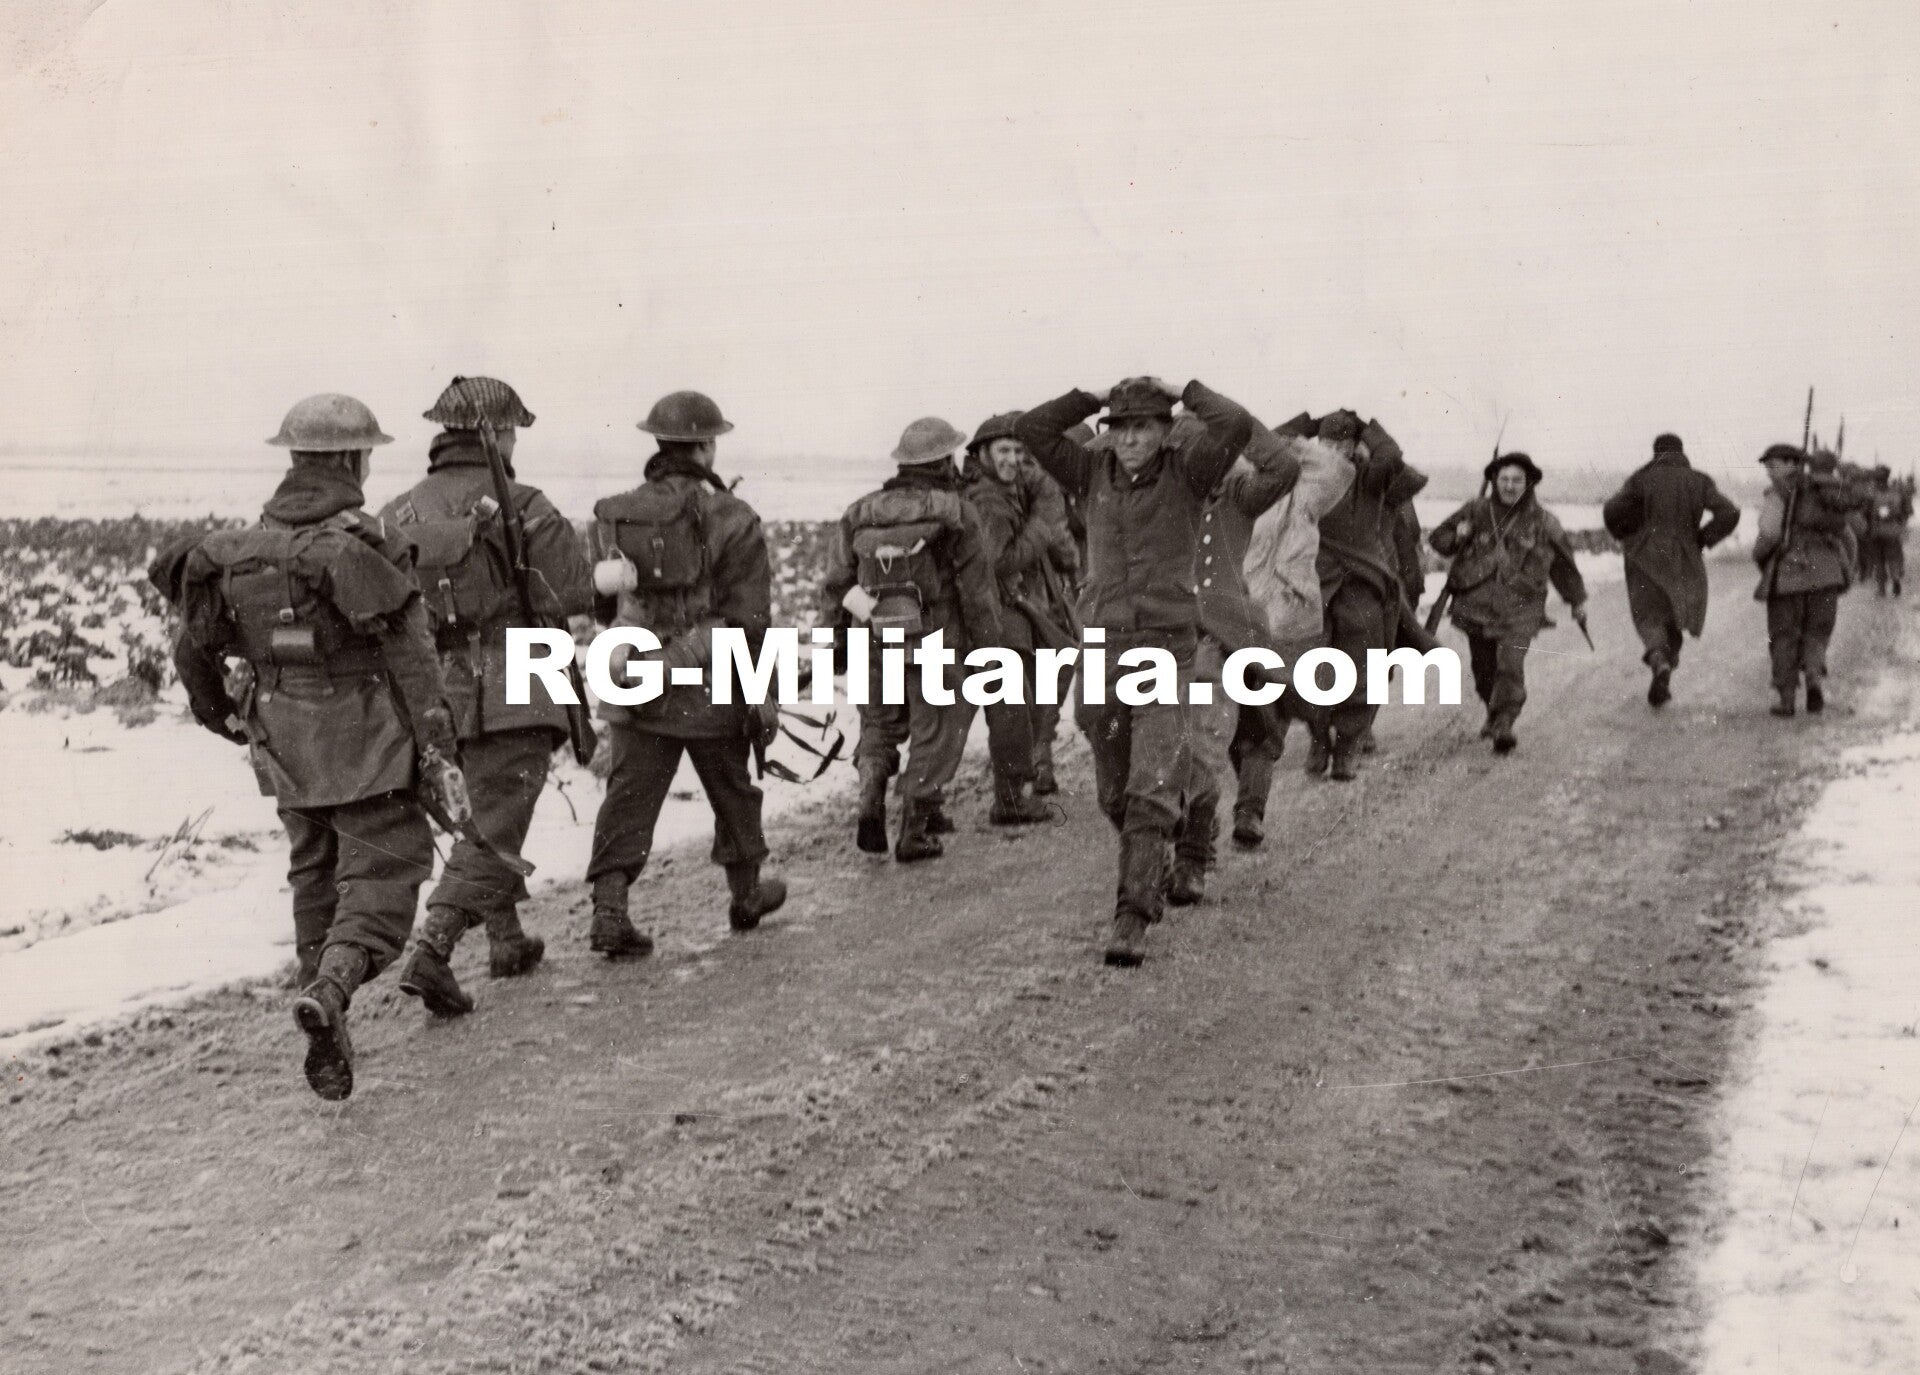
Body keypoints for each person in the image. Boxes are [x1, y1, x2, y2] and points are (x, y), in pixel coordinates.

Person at [149, 394, 465, 1101]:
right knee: (384, 873)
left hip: (283, 744)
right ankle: (331, 989)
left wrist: (226, 720)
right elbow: (414, 659)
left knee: (313, 874)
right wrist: (437, 747)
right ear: (353, 460)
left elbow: (192, 652)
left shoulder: (238, 552)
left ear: (294, 458)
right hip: (369, 741)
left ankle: (320, 1005)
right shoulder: (366, 545)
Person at [1017, 377, 1279, 967]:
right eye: (1121, 428)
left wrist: (1186, 390)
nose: (1130, 439)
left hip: (1167, 650)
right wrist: (1090, 398)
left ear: (1165, 432)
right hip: (1103, 649)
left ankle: (1132, 916)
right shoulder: (1089, 473)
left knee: (1151, 785)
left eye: (1143, 427)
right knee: (1114, 792)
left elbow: (1235, 424)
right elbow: (1033, 427)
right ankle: (1157, 842)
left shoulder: (1191, 474)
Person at [377, 377, 593, 1016]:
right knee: (498, 824)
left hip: (434, 685)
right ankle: (433, 949)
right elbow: (572, 591)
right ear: (497, 435)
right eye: (512, 431)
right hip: (519, 678)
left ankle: (506, 939)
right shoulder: (525, 504)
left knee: (479, 814)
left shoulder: (395, 513)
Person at [584, 390, 786, 956]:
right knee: (733, 792)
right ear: (706, 447)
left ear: (659, 442)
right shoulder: (733, 515)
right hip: (711, 683)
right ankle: (746, 897)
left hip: (634, 680)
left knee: (627, 797)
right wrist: (762, 693)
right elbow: (751, 620)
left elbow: (601, 604)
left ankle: (609, 912)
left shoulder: (615, 513)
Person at [822, 417, 1007, 862]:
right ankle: (914, 830)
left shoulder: (860, 511)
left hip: (872, 638)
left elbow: (836, 584)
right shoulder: (957, 512)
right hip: (934, 638)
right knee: (935, 727)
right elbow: (978, 593)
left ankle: (870, 796)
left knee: (878, 724)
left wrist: (836, 645)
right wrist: (989, 651)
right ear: (944, 461)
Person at [1169, 425, 1303, 897]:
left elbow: (1284, 467)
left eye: (1211, 452)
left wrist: (1203, 401)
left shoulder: (1240, 497)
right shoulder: (1159, 501)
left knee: (1205, 746)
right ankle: (1189, 835)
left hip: (1223, 638)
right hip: (1162, 634)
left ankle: (1192, 856)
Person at [1235, 415, 1353, 846]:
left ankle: (1249, 810)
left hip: (1284, 613)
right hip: (1230, 611)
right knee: (1221, 717)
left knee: (1263, 717)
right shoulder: (1233, 488)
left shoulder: (1304, 493)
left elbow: (1338, 469)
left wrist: (1287, 444)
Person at [1429, 452, 1588, 754]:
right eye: (1504, 479)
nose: (1510, 485)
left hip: (1521, 608)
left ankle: (1504, 722)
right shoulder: (1476, 510)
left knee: (1510, 666)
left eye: (1517, 480)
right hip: (1477, 605)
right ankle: (1494, 712)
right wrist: (1459, 535)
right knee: (1483, 670)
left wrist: (1576, 600)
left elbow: (1563, 565)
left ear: (1528, 483)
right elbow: (1439, 539)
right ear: (1494, 481)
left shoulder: (1544, 522)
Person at [963, 411, 1082, 795]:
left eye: (1018, 451)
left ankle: (1024, 782)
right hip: (1003, 611)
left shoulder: (1009, 488)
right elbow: (998, 561)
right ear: (982, 452)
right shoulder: (988, 498)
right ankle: (1014, 795)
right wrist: (1042, 528)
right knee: (1015, 706)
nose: (1012, 459)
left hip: (1018, 607)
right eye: (1004, 450)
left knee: (1025, 699)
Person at [1311, 414, 1429, 780]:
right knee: (1312, 666)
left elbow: (1390, 455)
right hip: (1316, 583)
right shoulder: (1305, 476)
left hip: (1363, 583)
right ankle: (1319, 737)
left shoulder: (1370, 479)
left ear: (1353, 448)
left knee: (1365, 668)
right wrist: (1310, 422)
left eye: (1340, 445)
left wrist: (1365, 426)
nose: (1331, 453)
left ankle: (1347, 746)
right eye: (1325, 445)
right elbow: (1270, 443)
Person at [1600, 432, 1741, 707]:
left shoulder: (1642, 478)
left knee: (1649, 617)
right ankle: (1665, 665)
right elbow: (1730, 512)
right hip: (1686, 559)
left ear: (1656, 452)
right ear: (1681, 452)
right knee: (1675, 618)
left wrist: (1628, 535)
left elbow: (1612, 510)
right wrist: (1703, 538)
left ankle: (1658, 659)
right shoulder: (1699, 480)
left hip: (1646, 558)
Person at [1752, 443, 1853, 716]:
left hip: (1788, 576)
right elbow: (1848, 536)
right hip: (1827, 575)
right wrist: (1845, 570)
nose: (1768, 472)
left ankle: (1786, 701)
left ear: (1792, 464)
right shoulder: (1825, 493)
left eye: (1773, 465)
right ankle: (1814, 680)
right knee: (1818, 632)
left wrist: (1759, 556)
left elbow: (1769, 533)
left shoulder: (1780, 492)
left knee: (1784, 635)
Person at [1863, 464, 1912, 596]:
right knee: (1894, 557)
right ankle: (1895, 578)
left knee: (1878, 559)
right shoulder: (1898, 492)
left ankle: (1881, 588)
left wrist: (1869, 524)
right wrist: (1900, 523)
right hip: (1893, 530)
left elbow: (1865, 512)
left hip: (1876, 530)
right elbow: (1907, 511)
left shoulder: (1870, 493)